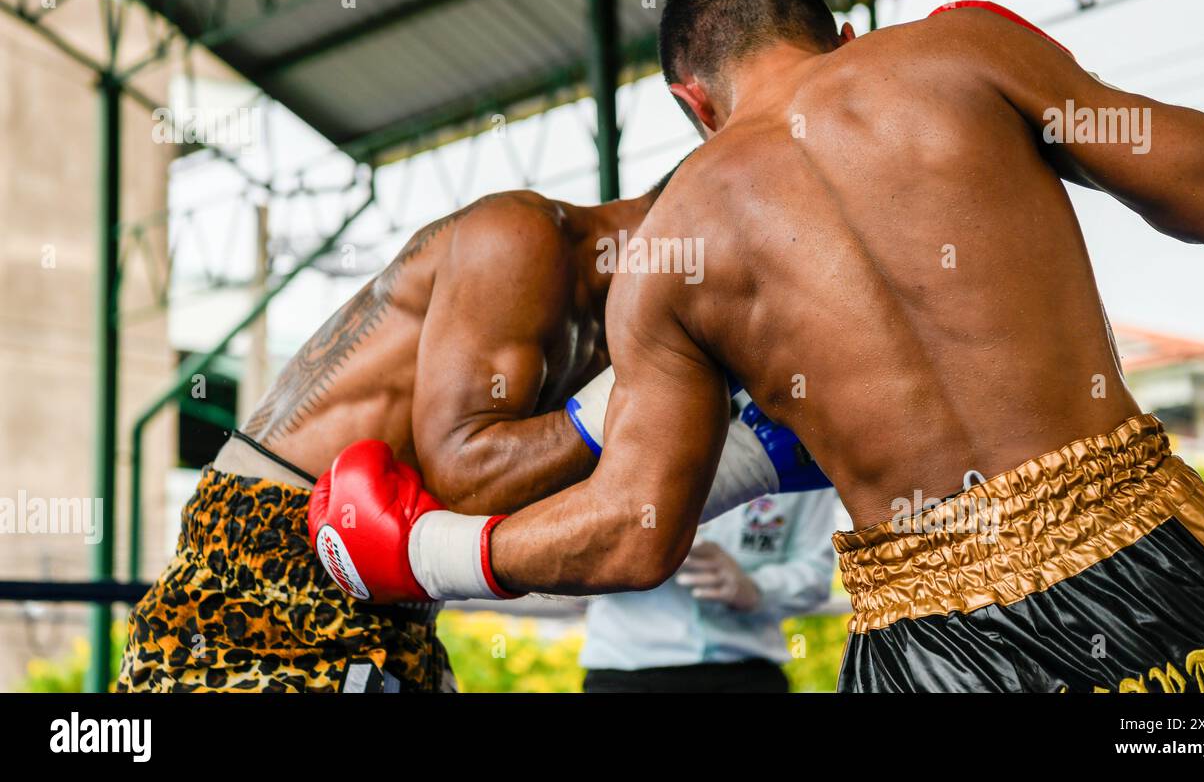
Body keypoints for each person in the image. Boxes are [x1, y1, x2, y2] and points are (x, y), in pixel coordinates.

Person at [326, 0, 1204, 693]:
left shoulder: (676, 247)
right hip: (1140, 562)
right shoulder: (959, 54)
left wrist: (425, 552)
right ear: (836, 32)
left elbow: (631, 532)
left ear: (689, 99)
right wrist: (1040, 78)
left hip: (929, 646)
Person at [120, 177, 825, 692]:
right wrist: (659, 385)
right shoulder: (518, 239)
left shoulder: (621, 339)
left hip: (399, 588)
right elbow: (470, 475)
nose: (731, 314)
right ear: (678, 238)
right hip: (270, 555)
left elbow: (624, 529)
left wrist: (743, 460)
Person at [581, 484, 840, 693]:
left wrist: (756, 588)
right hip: (625, 669)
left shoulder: (796, 447)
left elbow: (815, 572)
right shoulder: (612, 435)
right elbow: (565, 551)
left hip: (749, 672)